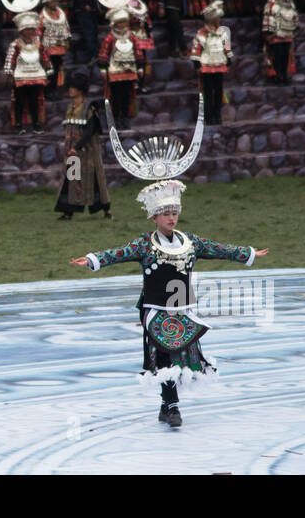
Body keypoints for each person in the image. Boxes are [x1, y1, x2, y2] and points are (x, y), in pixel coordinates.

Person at [72, 97, 266, 428]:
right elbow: (116, 253)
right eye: (165, 213)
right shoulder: (144, 245)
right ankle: (171, 405)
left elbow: (218, 248)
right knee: (164, 357)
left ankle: (169, 404)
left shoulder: (190, 243)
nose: (171, 218)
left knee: (182, 356)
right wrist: (93, 260)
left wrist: (246, 253)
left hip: (184, 308)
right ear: (154, 216)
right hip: (155, 310)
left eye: (174, 212)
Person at [55, 71, 111, 221]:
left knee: (94, 179)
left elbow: (90, 130)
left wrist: (77, 146)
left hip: (87, 152)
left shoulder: (89, 108)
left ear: (80, 89)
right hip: (73, 154)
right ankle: (68, 212)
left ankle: (106, 209)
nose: (70, 90)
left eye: (73, 87)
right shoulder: (70, 107)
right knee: (72, 179)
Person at [97, 6, 151, 122]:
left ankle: (125, 117)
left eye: (124, 22)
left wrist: (140, 67)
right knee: (116, 96)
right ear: (114, 23)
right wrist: (103, 69)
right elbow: (103, 54)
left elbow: (138, 51)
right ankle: (116, 118)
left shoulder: (131, 36)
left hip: (129, 71)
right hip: (114, 72)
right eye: (119, 22)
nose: (122, 25)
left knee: (127, 95)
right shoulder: (110, 38)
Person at [5, 12, 53, 134]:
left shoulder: (39, 44)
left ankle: (36, 123)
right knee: (19, 101)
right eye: (29, 29)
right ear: (22, 31)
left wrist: (49, 68)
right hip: (20, 76)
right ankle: (18, 124)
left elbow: (44, 57)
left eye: (33, 29)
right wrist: (9, 73)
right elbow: (10, 59)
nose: (32, 32)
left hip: (37, 75)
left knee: (35, 101)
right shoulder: (15, 45)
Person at [189, 0, 233, 125]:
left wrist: (228, 58)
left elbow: (227, 47)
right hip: (206, 66)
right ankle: (208, 116)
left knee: (219, 91)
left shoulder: (222, 32)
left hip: (219, 64)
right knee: (208, 92)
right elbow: (196, 49)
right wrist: (196, 63)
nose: (220, 21)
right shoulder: (202, 33)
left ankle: (217, 115)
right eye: (218, 19)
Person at [260, 0, 299, 84]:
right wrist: (269, 32)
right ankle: (277, 76)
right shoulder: (272, 1)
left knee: (286, 56)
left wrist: (295, 26)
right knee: (277, 56)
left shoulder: (289, 1)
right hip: (276, 34)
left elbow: (294, 15)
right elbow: (268, 16)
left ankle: (284, 75)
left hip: (287, 33)